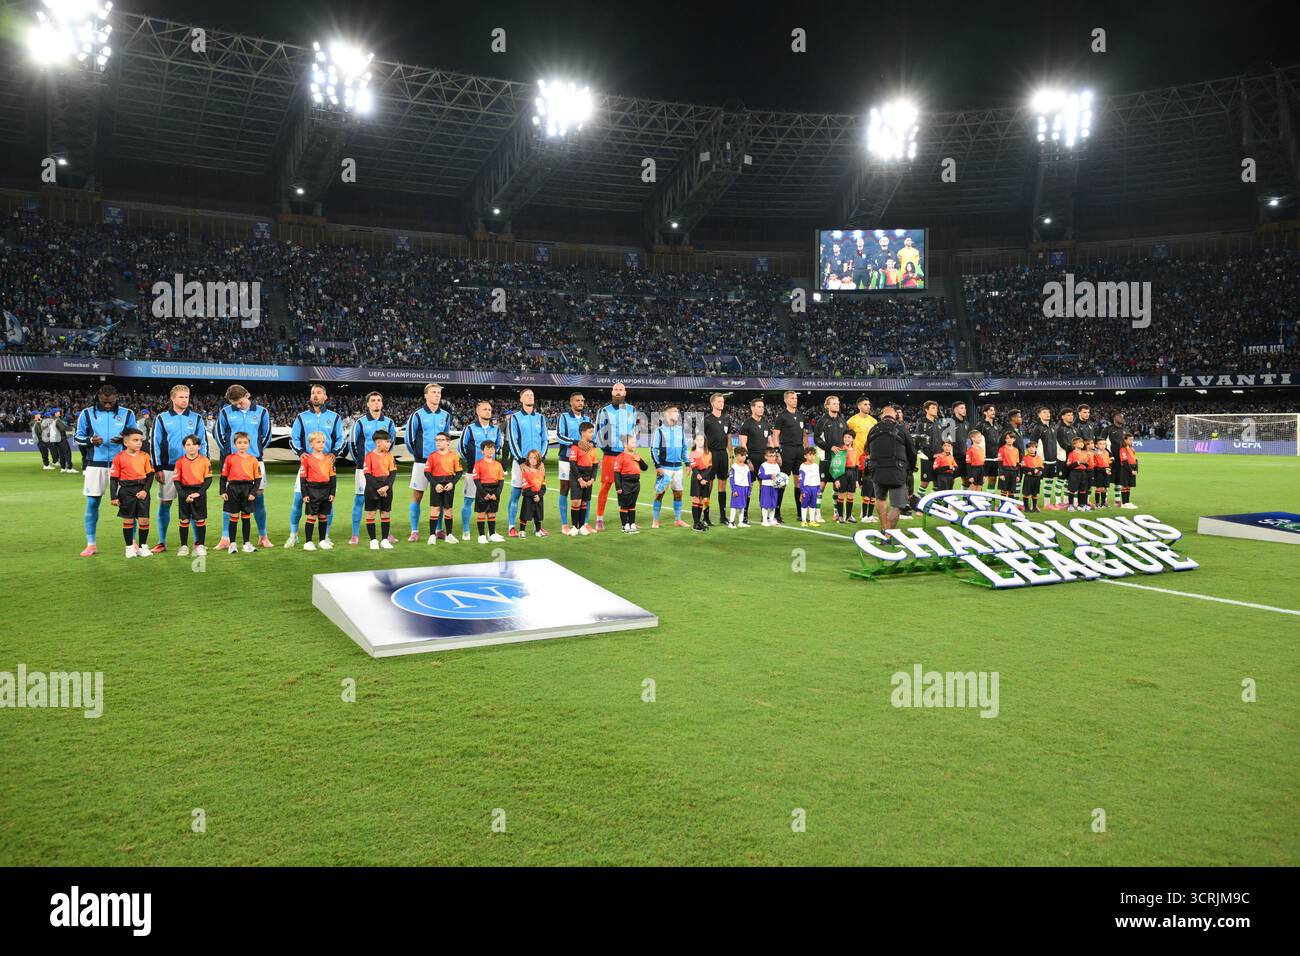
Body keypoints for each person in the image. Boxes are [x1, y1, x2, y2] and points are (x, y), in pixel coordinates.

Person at [75, 384, 137, 557]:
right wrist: (90, 440)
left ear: (116, 397)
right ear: (98, 398)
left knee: (129, 505)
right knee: (93, 503)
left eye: (111, 402)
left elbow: (136, 435)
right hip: (95, 464)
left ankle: (132, 542)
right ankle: (91, 544)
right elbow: (77, 437)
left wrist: (124, 439)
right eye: (104, 402)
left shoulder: (128, 414)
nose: (108, 405)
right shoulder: (87, 413)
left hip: (123, 464)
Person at [150, 384, 208, 553]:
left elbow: (202, 442)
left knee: (193, 505)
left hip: (192, 469)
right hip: (168, 468)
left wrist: (205, 464)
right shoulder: (161, 418)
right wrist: (157, 467)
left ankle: (198, 543)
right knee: (165, 504)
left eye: (187, 397)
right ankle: (162, 542)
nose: (184, 400)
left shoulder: (197, 418)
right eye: (181, 397)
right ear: (173, 398)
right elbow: (155, 444)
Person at [214, 384, 273, 550]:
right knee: (229, 500)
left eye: (240, 402)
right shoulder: (226, 412)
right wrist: (230, 454)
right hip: (233, 462)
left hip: (255, 460)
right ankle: (225, 538)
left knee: (258, 498)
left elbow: (266, 435)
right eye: (235, 404)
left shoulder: (262, 412)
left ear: (247, 395)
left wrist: (255, 452)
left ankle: (263, 536)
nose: (238, 406)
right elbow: (218, 435)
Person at [286, 384, 344, 548]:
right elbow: (294, 438)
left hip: (326, 466)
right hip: (308, 465)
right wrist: (300, 452)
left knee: (328, 502)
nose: (315, 395)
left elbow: (340, 439)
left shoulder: (334, 417)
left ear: (325, 397)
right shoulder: (302, 417)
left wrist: (334, 453)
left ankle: (325, 536)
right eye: (313, 393)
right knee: (298, 500)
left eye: (319, 392)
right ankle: (293, 535)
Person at [403, 383, 452, 542]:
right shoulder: (416, 415)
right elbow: (409, 439)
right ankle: (414, 531)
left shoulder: (445, 415)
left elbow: (446, 437)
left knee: (440, 497)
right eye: (433, 392)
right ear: (426, 395)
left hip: (440, 462)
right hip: (421, 462)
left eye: (438, 393)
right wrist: (418, 455)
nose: (437, 395)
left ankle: (438, 530)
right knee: (417, 497)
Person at [348, 392, 396, 546]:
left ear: (382, 404)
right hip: (365, 468)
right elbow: (353, 444)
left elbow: (391, 443)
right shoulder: (360, 422)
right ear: (367, 404)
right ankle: (355, 534)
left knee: (384, 501)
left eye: (379, 400)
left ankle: (386, 534)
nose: (376, 403)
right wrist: (362, 463)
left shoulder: (389, 422)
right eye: (373, 400)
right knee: (360, 499)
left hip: (383, 470)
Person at [593, 383, 637, 532]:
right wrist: (606, 448)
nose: (618, 392)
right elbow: (598, 432)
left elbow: (633, 431)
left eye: (620, 390)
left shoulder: (632, 410)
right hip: (610, 455)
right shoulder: (604, 410)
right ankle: (599, 519)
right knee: (606, 486)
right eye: (616, 390)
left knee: (629, 488)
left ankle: (628, 521)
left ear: (625, 392)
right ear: (612, 392)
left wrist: (631, 449)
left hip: (626, 456)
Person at [505, 388, 548, 538]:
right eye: (527, 395)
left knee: (537, 494)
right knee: (516, 494)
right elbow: (512, 439)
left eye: (532, 395)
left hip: (537, 464)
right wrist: (521, 460)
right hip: (521, 463)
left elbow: (545, 440)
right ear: (521, 399)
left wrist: (541, 460)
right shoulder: (515, 418)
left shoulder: (541, 418)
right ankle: (511, 526)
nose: (530, 397)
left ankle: (538, 527)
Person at [866, 405, 915, 532]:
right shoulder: (901, 428)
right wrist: (910, 469)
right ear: (895, 416)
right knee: (897, 505)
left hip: (877, 471)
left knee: (880, 499)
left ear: (882, 416)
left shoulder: (873, 429)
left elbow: (868, 450)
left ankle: (884, 528)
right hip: (897, 471)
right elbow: (912, 452)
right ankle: (888, 534)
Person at [458, 400, 502, 541]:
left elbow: (498, 447)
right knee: (469, 501)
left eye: (489, 409)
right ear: (477, 412)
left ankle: (490, 532)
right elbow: (461, 448)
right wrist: (472, 463)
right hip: (473, 472)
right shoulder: (469, 428)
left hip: (491, 475)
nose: (488, 411)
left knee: (490, 502)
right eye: (484, 409)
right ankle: (466, 531)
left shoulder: (496, 429)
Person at [109, 426, 154, 558]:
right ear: (126, 442)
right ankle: (129, 548)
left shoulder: (145, 456)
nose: (139, 442)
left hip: (142, 490)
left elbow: (150, 475)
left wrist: (145, 491)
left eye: (140, 440)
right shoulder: (119, 458)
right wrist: (113, 496)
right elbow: (113, 479)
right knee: (128, 520)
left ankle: (143, 547)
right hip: (126, 491)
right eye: (135, 440)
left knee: (144, 520)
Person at [220, 431, 261, 553]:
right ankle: (232, 544)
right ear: (235, 444)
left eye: (245, 442)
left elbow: (258, 478)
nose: (242, 445)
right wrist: (222, 491)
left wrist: (253, 492)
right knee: (233, 517)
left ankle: (246, 543)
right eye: (239, 442)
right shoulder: (229, 458)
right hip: (232, 489)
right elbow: (223, 477)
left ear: (249, 444)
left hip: (248, 489)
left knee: (246, 517)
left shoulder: (253, 459)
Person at [772, 391, 809, 523]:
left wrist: (805, 448)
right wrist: (777, 452)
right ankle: (776, 512)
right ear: (786, 400)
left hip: (799, 450)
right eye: (792, 398)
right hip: (786, 450)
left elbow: (804, 434)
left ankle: (800, 513)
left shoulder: (800, 415)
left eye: (796, 398)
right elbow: (775, 435)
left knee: (799, 482)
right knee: (782, 482)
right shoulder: (781, 416)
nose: (795, 400)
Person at [556, 392, 590, 534]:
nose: (580, 403)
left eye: (582, 400)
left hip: (583, 461)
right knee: (565, 488)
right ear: (571, 402)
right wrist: (576, 442)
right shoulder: (563, 417)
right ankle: (565, 524)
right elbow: (559, 436)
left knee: (586, 491)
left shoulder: (586, 418)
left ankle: (584, 523)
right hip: (566, 458)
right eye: (577, 400)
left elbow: (589, 437)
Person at [174, 433, 213, 556]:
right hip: (184, 492)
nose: (191, 447)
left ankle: (200, 545)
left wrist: (199, 493)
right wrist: (184, 495)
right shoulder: (179, 462)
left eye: (194, 444)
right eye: (188, 445)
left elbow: (208, 480)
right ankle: (184, 546)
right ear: (184, 447)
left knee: (200, 519)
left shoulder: (205, 460)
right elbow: (176, 481)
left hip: (199, 492)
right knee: (184, 519)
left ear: (199, 446)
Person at [298, 431, 337, 552]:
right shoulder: (306, 459)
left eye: (323, 442)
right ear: (311, 444)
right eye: (318, 442)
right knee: (311, 516)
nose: (321, 444)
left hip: (326, 490)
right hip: (312, 490)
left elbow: (333, 478)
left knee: (323, 516)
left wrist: (332, 493)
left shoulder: (329, 459)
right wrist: (304, 494)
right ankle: (308, 542)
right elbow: (303, 479)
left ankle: (322, 540)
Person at [650, 403, 688, 529]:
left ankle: (678, 520)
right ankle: (655, 520)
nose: (677, 413)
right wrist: (658, 466)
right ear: (667, 414)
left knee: (678, 494)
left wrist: (687, 463)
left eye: (678, 411)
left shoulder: (680, 430)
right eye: (674, 411)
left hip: (678, 468)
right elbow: (653, 449)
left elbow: (684, 448)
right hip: (664, 468)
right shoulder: (660, 430)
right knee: (659, 494)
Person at [737, 397, 772, 527]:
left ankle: (764, 515)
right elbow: (743, 444)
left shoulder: (766, 423)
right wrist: (747, 460)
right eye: (758, 407)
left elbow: (769, 442)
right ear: (752, 408)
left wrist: (775, 455)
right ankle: (744, 514)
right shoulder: (747, 424)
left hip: (764, 461)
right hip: (751, 460)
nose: (761, 409)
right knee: (749, 488)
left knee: (764, 487)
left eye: (762, 407)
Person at [813, 396, 848, 525]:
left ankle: (836, 512)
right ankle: (817, 513)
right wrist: (830, 447)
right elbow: (817, 439)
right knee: (821, 485)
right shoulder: (822, 421)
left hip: (839, 459)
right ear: (827, 406)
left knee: (837, 485)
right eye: (834, 403)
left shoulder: (842, 421)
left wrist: (846, 446)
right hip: (826, 458)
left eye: (838, 403)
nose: (837, 405)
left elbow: (847, 437)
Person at [362, 430, 399, 550]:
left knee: (385, 513)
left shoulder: (389, 456)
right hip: (372, 488)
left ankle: (384, 540)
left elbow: (393, 474)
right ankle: (373, 540)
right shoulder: (369, 456)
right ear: (378, 443)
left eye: (390, 442)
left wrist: (387, 487)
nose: (389, 444)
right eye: (387, 442)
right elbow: (367, 475)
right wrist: (378, 488)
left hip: (387, 487)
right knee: (371, 513)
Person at [424, 432, 462, 544]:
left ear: (448, 442)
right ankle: (432, 535)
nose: (438, 442)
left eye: (441, 440)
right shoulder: (432, 456)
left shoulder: (454, 456)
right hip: (436, 485)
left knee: (448, 510)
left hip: (448, 485)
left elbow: (459, 472)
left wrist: (452, 483)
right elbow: (427, 472)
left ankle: (449, 534)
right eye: (437, 440)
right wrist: (435, 484)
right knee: (435, 509)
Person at [701, 392, 731, 527]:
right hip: (711, 455)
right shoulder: (707, 420)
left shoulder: (726, 419)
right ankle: (706, 516)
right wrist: (704, 457)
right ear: (713, 403)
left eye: (722, 401)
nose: (721, 403)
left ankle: (723, 516)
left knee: (723, 486)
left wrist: (731, 454)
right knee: (709, 486)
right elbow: (701, 439)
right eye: (719, 401)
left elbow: (729, 438)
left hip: (723, 455)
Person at [846, 397, 877, 522]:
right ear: (859, 406)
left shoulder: (874, 421)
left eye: (869, 404)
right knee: (856, 485)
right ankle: (841, 510)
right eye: (865, 404)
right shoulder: (852, 421)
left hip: (869, 458)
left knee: (869, 485)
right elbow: (847, 437)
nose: (868, 406)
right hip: (855, 459)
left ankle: (864, 512)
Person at [1025, 407, 1061, 510]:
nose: (1047, 414)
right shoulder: (1038, 428)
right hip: (1041, 461)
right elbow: (1032, 445)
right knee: (1036, 483)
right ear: (1039, 415)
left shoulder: (1053, 427)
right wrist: (1035, 460)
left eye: (1049, 412)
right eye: (1044, 412)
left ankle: (1047, 503)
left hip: (1053, 460)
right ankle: (1033, 504)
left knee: (1049, 481)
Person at [566, 422, 598, 536]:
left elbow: (595, 465)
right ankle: (575, 526)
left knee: (584, 502)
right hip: (576, 476)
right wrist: (580, 480)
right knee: (576, 501)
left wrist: (592, 479)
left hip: (588, 476)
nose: (592, 434)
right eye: (590, 432)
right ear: (583, 433)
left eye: (593, 432)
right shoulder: (575, 446)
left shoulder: (593, 447)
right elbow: (573, 465)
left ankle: (582, 526)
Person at [471, 440, 506, 543]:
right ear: (482, 451)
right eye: (487, 448)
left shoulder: (498, 465)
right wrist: (484, 494)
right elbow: (476, 480)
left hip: (494, 490)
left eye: (492, 448)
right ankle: (481, 535)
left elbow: (501, 481)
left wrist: (496, 494)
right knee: (481, 513)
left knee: (492, 513)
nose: (490, 451)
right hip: (483, 490)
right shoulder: (478, 464)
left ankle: (492, 534)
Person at [612, 433, 648, 533]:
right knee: (624, 505)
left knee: (632, 504)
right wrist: (618, 487)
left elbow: (645, 468)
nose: (634, 444)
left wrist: (639, 460)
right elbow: (616, 473)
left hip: (636, 484)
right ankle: (625, 525)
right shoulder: (620, 457)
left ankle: (632, 523)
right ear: (625, 445)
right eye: (632, 443)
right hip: (625, 484)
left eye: (635, 442)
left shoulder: (636, 456)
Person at [915, 400, 944, 497]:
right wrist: (930, 454)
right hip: (927, 458)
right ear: (926, 410)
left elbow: (941, 441)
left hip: (939, 458)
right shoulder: (921, 423)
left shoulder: (938, 423)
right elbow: (918, 441)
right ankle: (919, 504)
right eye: (933, 408)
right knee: (924, 483)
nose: (936, 410)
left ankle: (933, 504)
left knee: (937, 483)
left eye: (936, 408)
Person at [518, 449, 549, 538]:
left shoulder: (541, 471)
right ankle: (522, 531)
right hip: (529, 496)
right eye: (530, 458)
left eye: (535, 458)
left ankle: (538, 530)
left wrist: (539, 495)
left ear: (538, 459)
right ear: (528, 459)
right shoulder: (526, 471)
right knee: (525, 513)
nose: (532, 460)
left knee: (538, 514)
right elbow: (525, 485)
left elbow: (543, 485)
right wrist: (533, 495)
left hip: (539, 497)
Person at [689, 434, 713, 532]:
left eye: (701, 439)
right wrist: (700, 478)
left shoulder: (709, 453)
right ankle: (695, 523)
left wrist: (704, 478)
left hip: (705, 477)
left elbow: (710, 467)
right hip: (696, 478)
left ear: (704, 441)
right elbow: (693, 467)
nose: (700, 441)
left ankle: (699, 522)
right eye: (698, 439)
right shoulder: (692, 453)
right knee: (696, 499)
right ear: (695, 441)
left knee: (703, 500)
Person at [833, 429, 857, 523]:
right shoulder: (840, 450)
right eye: (845, 437)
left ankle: (849, 516)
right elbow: (836, 465)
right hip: (843, 473)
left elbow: (857, 466)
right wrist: (837, 479)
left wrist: (857, 480)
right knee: (841, 495)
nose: (847, 439)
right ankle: (840, 516)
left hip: (853, 473)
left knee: (851, 495)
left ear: (853, 439)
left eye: (849, 437)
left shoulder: (854, 450)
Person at [975, 404, 1001, 492]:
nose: (993, 412)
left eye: (994, 410)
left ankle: (991, 502)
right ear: (985, 412)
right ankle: (979, 501)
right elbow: (975, 441)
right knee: (980, 481)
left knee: (993, 479)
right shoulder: (980, 425)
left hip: (995, 458)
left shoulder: (997, 425)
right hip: (984, 458)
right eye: (991, 410)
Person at [1105, 412, 1128, 504]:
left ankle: (1117, 500)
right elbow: (1101, 442)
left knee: (1118, 480)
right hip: (1110, 459)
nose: (1122, 418)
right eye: (1120, 416)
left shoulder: (1124, 430)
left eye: (1122, 416)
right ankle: (1104, 500)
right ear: (1114, 418)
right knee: (1106, 479)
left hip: (1120, 459)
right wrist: (1108, 455)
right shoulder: (1108, 429)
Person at [727, 447, 752, 528]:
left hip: (745, 488)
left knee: (742, 506)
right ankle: (731, 522)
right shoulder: (734, 467)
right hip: (737, 488)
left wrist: (749, 490)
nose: (744, 457)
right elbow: (731, 479)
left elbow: (749, 479)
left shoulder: (746, 467)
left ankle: (741, 522)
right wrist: (734, 490)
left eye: (745, 455)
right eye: (742, 455)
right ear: (737, 456)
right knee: (734, 506)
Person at [757, 447, 782, 526]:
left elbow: (779, 476)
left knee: (773, 504)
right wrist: (770, 476)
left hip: (774, 487)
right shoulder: (763, 465)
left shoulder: (777, 466)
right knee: (765, 504)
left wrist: (780, 483)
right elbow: (761, 475)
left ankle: (771, 519)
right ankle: (764, 520)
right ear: (766, 456)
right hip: (766, 487)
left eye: (774, 456)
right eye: (770, 456)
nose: (772, 458)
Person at [797, 447, 822, 526]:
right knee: (804, 504)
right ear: (805, 456)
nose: (812, 457)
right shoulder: (803, 466)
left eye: (814, 455)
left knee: (813, 504)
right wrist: (802, 490)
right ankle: (804, 521)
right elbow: (801, 479)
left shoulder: (816, 466)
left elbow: (818, 477)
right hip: (806, 488)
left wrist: (818, 488)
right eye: (810, 455)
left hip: (814, 488)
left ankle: (812, 521)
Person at [1066, 437, 1091, 512]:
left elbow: (1087, 465)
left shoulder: (1084, 453)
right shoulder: (1072, 454)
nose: (1082, 444)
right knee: (1072, 490)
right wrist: (1078, 462)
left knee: (1083, 489)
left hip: (1083, 473)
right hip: (1074, 473)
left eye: (1082, 442)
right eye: (1079, 442)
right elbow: (1068, 466)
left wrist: (1086, 464)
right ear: (1074, 444)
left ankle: (1082, 505)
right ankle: (1070, 505)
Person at [1020, 441, 1044, 513]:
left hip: (1036, 478)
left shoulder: (1038, 458)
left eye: (1033, 447)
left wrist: (1036, 471)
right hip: (1028, 478)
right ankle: (1026, 508)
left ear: (1036, 449)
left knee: (1035, 493)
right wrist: (1034, 470)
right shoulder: (1025, 457)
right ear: (1027, 449)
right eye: (1029, 447)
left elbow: (1041, 468)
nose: (1031, 449)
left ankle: (1034, 507)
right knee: (1026, 493)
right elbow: (1024, 468)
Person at [1117, 434, 1139, 509]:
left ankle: (1128, 502)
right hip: (1126, 469)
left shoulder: (1132, 449)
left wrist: (1136, 470)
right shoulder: (1123, 449)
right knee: (1125, 486)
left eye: (1132, 439)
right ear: (1125, 440)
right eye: (1129, 439)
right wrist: (1131, 470)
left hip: (1132, 468)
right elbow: (1124, 461)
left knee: (1129, 486)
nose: (1131, 441)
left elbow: (1136, 460)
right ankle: (1124, 503)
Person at [997, 431, 1021, 498]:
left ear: (1014, 439)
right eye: (1007, 438)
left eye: (1011, 438)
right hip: (1005, 471)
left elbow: (1017, 464)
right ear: (1005, 440)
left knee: (1011, 490)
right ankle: (1002, 505)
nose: (1009, 440)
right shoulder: (1002, 449)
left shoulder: (1016, 450)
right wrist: (1001, 474)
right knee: (1004, 490)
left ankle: (1010, 506)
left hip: (1013, 472)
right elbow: (999, 462)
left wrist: (1018, 475)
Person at [1091, 440, 1112, 509]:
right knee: (1098, 488)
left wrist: (1109, 469)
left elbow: (1109, 462)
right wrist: (1104, 470)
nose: (1103, 445)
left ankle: (1103, 503)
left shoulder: (1107, 452)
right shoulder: (1095, 453)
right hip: (1098, 472)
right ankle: (1097, 503)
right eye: (1100, 444)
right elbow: (1094, 465)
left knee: (1104, 488)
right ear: (1096, 445)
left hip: (1106, 472)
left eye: (1104, 444)